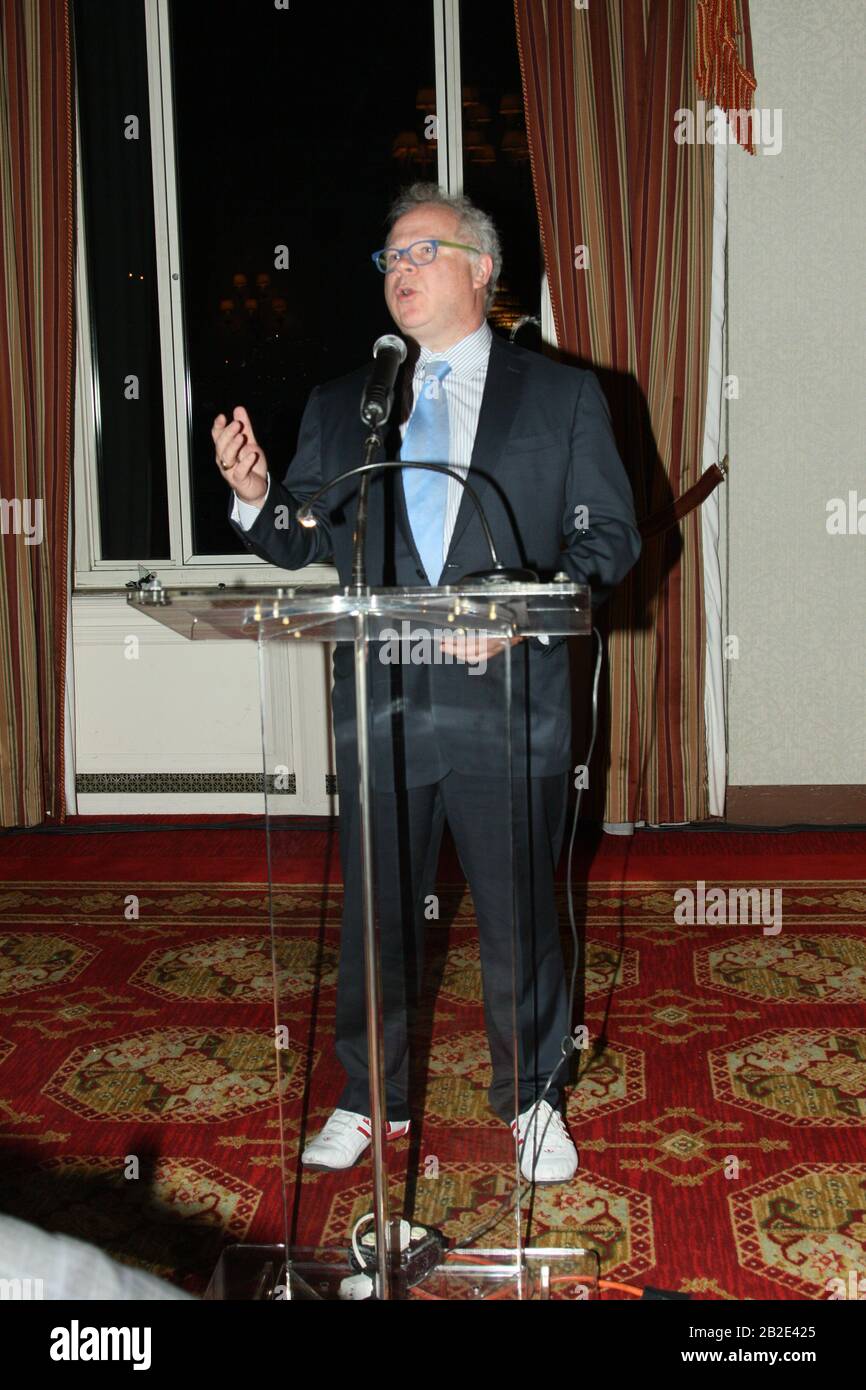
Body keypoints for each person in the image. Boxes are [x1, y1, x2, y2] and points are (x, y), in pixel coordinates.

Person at [212, 183, 641, 1184]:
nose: (398, 273)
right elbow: (297, 542)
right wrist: (256, 498)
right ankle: (369, 1097)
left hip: (508, 704)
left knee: (520, 916)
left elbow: (605, 537)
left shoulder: (562, 396)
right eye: (388, 260)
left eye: (421, 253)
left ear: (482, 270)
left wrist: (518, 608)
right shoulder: (346, 403)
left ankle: (531, 1096)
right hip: (383, 708)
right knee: (375, 918)